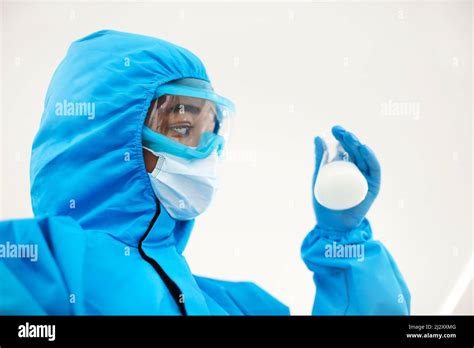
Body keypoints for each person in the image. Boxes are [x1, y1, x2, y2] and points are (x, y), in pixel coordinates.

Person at [0, 30, 410, 315]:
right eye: (182, 128)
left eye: (212, 132)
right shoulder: (41, 264)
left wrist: (345, 245)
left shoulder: (238, 306)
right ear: (104, 137)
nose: (207, 152)